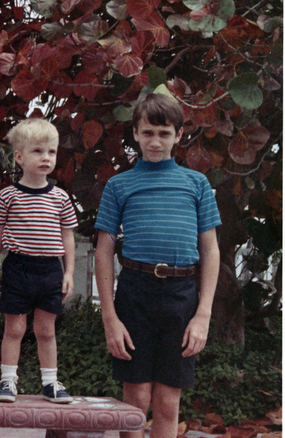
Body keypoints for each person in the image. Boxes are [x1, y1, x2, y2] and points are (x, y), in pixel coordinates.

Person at [93, 93, 221, 438]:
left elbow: (210, 250)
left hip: (182, 297)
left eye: (164, 134)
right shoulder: (119, 185)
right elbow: (103, 252)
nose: (155, 141)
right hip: (135, 293)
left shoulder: (197, 185)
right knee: (135, 401)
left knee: (167, 402)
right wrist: (110, 318)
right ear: (135, 132)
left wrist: (203, 314)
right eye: (148, 132)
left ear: (179, 135)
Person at [0, 118, 78, 404]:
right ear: (19, 157)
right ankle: (8, 382)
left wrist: (68, 272)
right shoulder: (8, 196)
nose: (46, 157)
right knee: (15, 328)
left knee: (46, 330)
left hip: (50, 270)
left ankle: (50, 383)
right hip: (18, 267)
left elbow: (68, 236)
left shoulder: (60, 197)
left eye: (51, 151)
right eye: (37, 151)